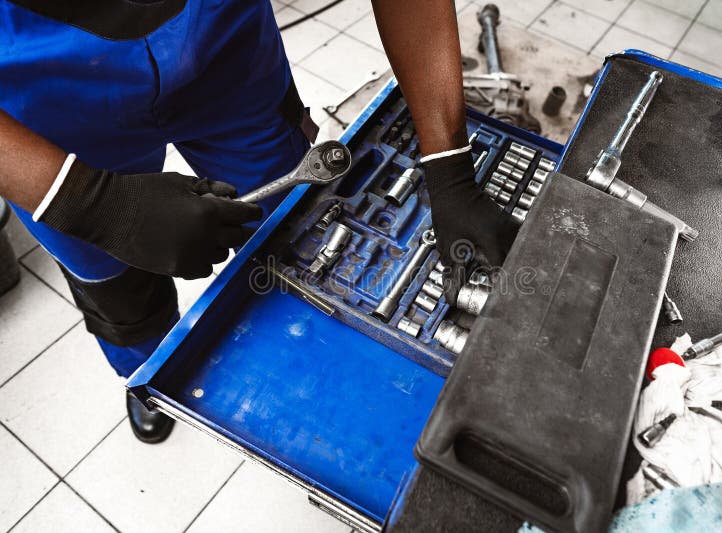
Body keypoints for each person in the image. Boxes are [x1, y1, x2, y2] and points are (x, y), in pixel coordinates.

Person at [0, 0, 516, 443]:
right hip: (45, 98)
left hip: (224, 48)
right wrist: (97, 206)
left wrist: (448, 167)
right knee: (114, 278)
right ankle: (144, 371)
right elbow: (96, 214)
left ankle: (303, 350)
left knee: (293, 228)